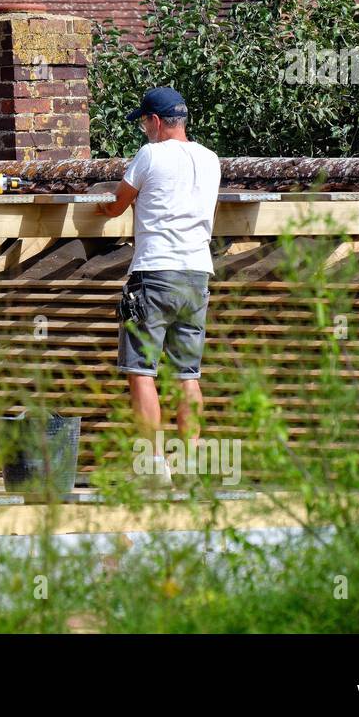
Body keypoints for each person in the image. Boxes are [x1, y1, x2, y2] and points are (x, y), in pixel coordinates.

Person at [96, 87, 221, 486]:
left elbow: (118, 203)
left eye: (144, 123)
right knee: (188, 374)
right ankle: (189, 464)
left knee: (141, 370)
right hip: (197, 274)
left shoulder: (150, 155)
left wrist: (101, 208)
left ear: (154, 121)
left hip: (154, 274)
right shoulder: (210, 158)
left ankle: (152, 465)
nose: (144, 131)